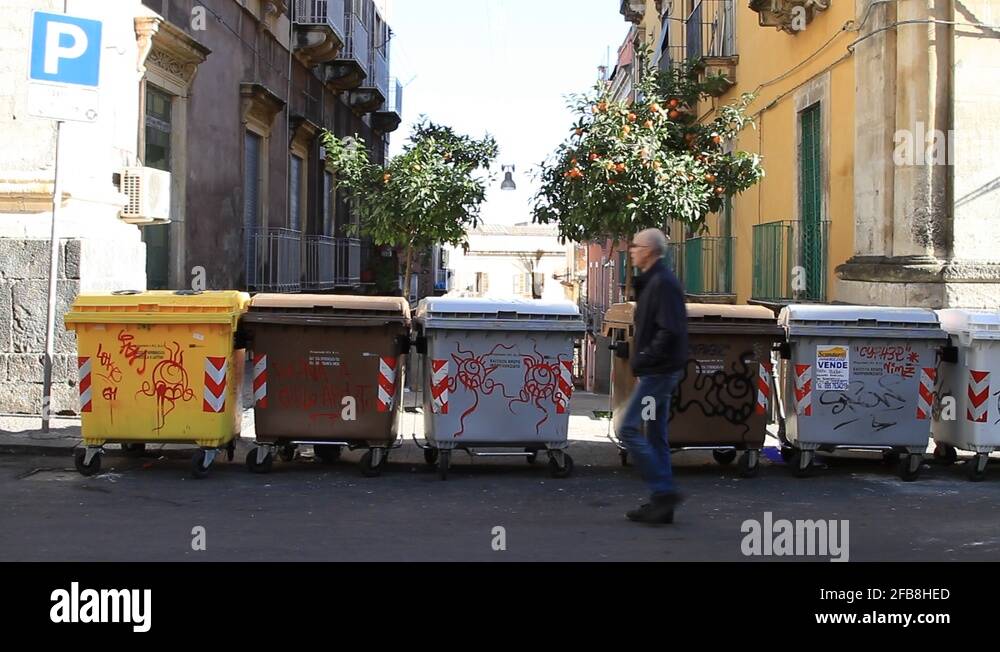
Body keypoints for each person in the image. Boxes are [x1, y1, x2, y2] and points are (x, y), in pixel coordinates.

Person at [618, 228, 689, 524]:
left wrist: (646, 358)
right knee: (656, 434)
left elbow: (669, 329)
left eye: (635, 246)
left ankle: (663, 491)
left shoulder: (664, 283)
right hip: (657, 370)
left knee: (627, 429)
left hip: (659, 372)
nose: (631, 250)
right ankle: (662, 505)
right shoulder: (653, 281)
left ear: (649, 250)